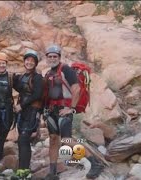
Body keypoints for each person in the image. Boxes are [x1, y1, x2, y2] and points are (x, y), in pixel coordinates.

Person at [43, 44, 104, 180]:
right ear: (46, 58)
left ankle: (95, 163)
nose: (52, 58)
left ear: (59, 57)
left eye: (55, 56)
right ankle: (52, 173)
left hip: (64, 110)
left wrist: (71, 108)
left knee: (66, 139)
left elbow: (76, 89)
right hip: (52, 111)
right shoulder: (49, 73)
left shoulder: (66, 69)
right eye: (50, 56)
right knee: (53, 139)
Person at [11, 49, 43, 179]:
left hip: (32, 112)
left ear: (35, 63)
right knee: (22, 141)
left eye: (32, 61)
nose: (29, 62)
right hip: (22, 112)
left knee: (23, 139)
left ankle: (24, 170)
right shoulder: (23, 76)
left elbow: (37, 95)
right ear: (24, 61)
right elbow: (18, 88)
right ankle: (22, 170)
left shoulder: (37, 77)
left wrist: (21, 105)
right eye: (27, 60)